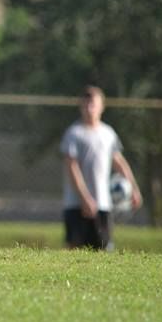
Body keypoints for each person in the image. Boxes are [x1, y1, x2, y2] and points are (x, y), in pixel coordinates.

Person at [61, 85, 143, 251]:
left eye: (94, 104)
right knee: (75, 249)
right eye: (86, 104)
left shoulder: (108, 133)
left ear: (102, 107)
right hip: (77, 204)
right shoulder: (74, 133)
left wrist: (134, 188)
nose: (90, 108)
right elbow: (72, 167)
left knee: (103, 249)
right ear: (81, 106)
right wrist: (84, 198)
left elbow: (118, 161)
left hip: (102, 204)